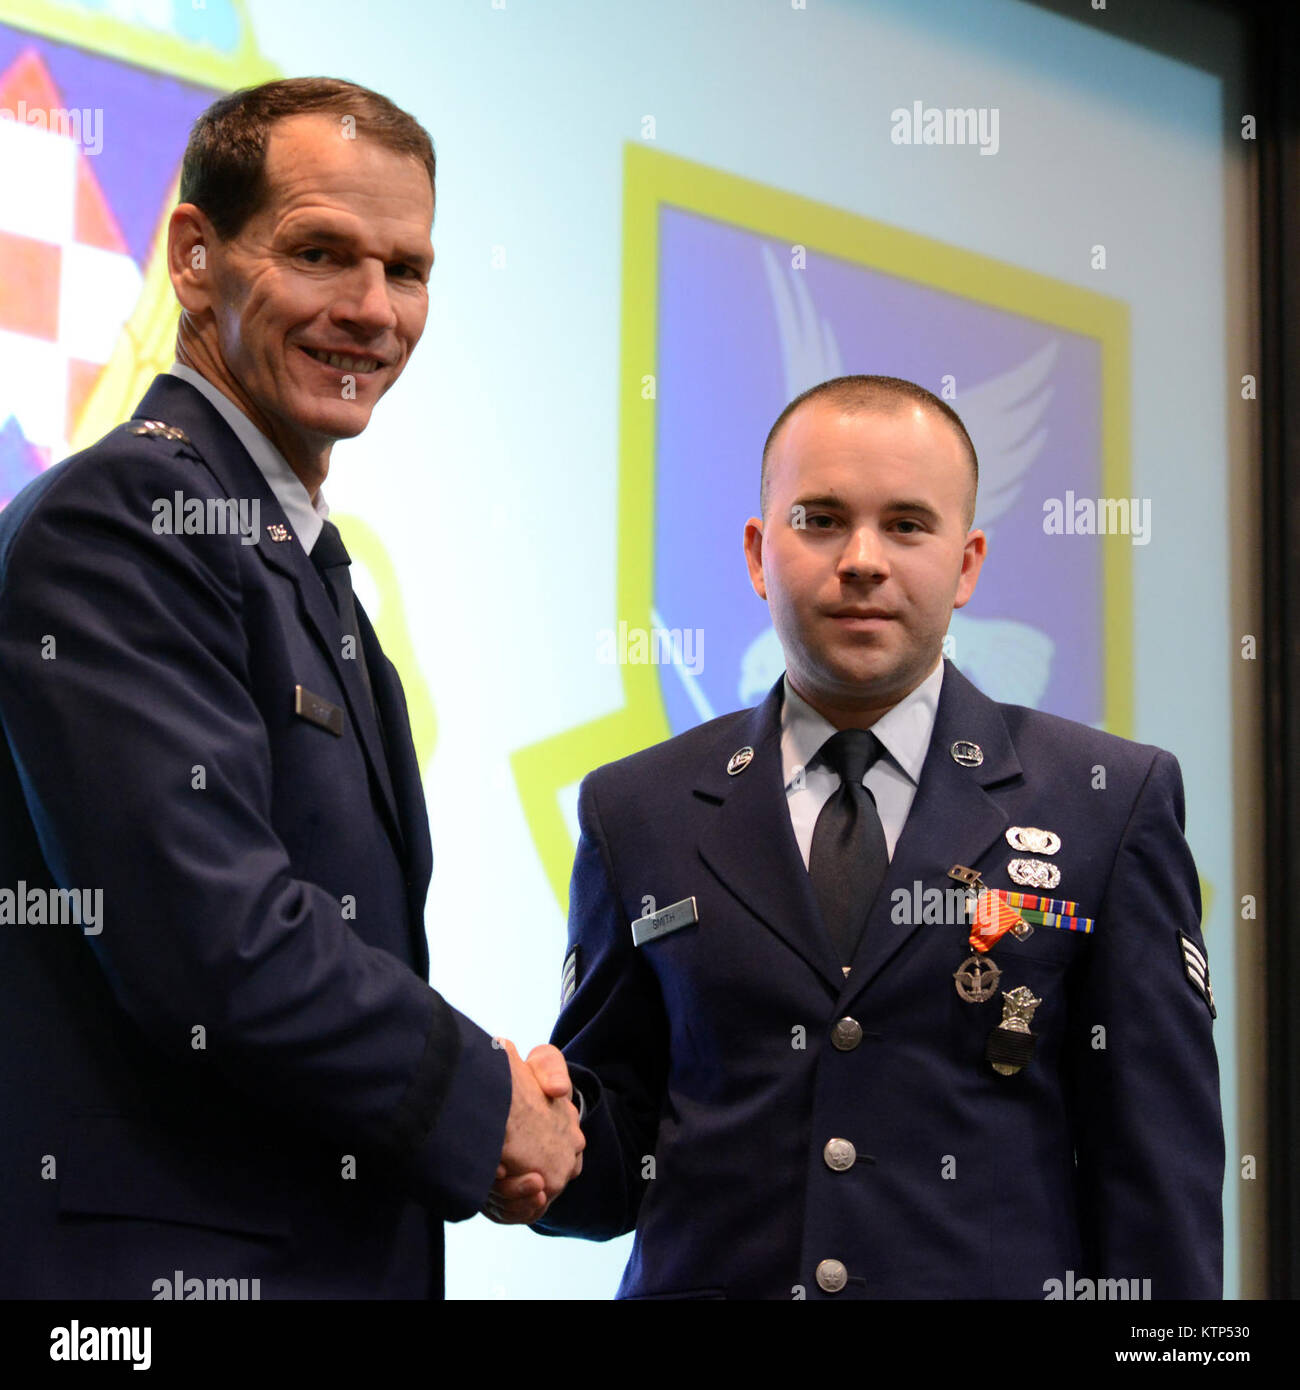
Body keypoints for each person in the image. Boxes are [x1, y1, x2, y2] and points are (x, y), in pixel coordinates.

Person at [0, 77, 581, 1299]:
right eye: (320, 253)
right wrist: (485, 1101)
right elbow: (213, 942)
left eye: (406, 270)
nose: (372, 311)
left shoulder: (291, 555)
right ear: (195, 256)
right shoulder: (129, 520)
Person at [491, 376, 1224, 1300]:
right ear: (760, 554)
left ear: (967, 564)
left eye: (908, 525)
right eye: (821, 519)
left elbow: (1159, 1175)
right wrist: (539, 1149)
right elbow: (626, 1138)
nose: (863, 560)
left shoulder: (1107, 802)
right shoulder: (636, 808)